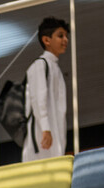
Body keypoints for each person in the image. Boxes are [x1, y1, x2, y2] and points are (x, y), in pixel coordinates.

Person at [23, 16, 70, 162]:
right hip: (42, 135)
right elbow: (38, 99)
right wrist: (45, 129)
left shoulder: (55, 68)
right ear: (46, 40)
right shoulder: (40, 65)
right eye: (60, 36)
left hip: (53, 131)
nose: (65, 40)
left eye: (66, 36)